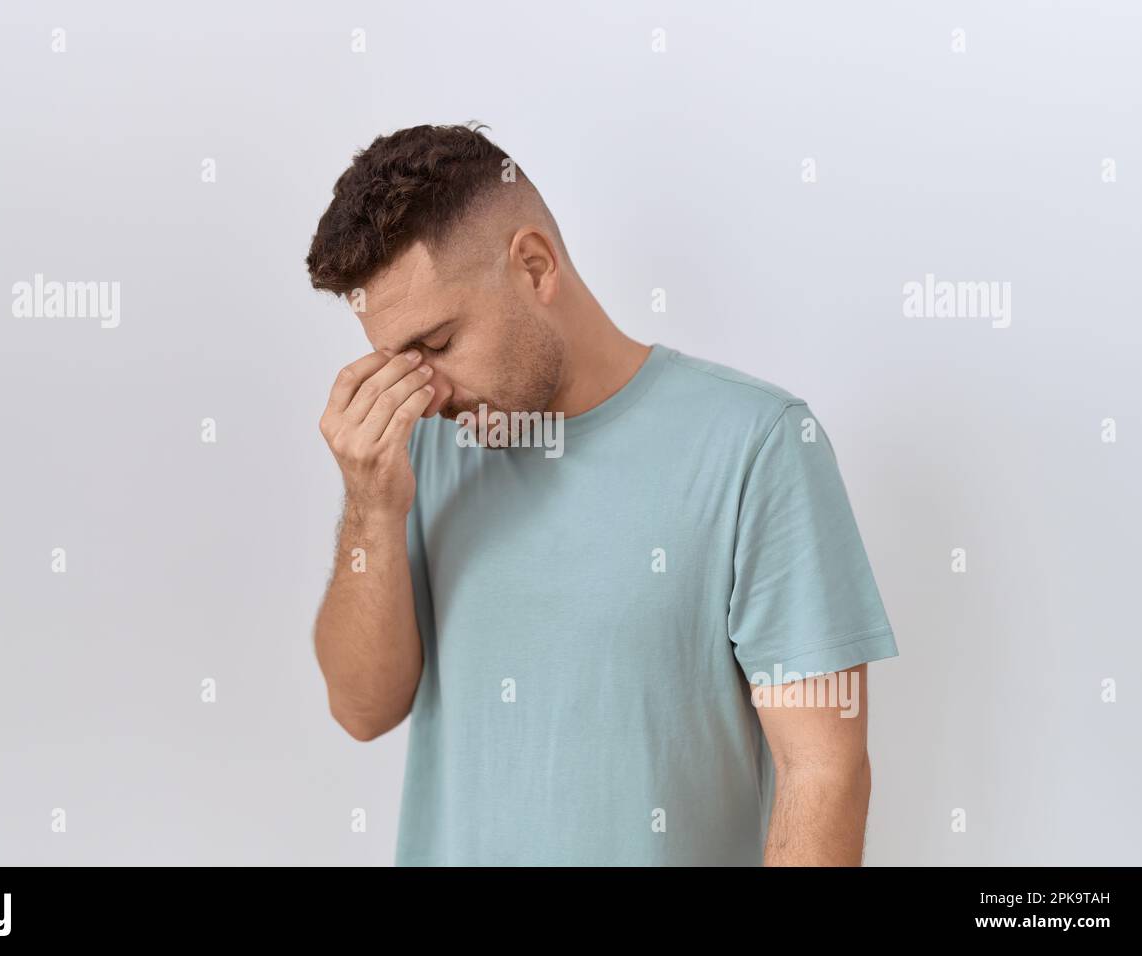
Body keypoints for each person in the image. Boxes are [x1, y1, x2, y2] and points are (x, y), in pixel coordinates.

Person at [305, 122, 899, 865]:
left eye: (439, 344)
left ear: (534, 265)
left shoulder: (757, 444)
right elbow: (362, 709)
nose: (427, 392)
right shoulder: (417, 449)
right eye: (397, 360)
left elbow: (824, 770)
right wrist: (371, 504)